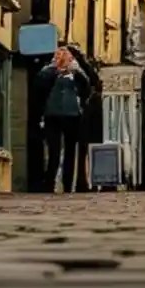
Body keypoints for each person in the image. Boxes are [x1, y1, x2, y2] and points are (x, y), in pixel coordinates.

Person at [36, 46, 90, 193]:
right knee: (53, 150)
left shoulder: (76, 74)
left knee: (70, 151)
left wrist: (77, 71)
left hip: (72, 115)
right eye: (59, 55)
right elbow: (39, 85)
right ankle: (49, 183)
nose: (62, 58)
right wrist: (55, 69)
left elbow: (87, 86)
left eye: (65, 55)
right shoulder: (48, 72)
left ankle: (68, 184)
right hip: (52, 115)